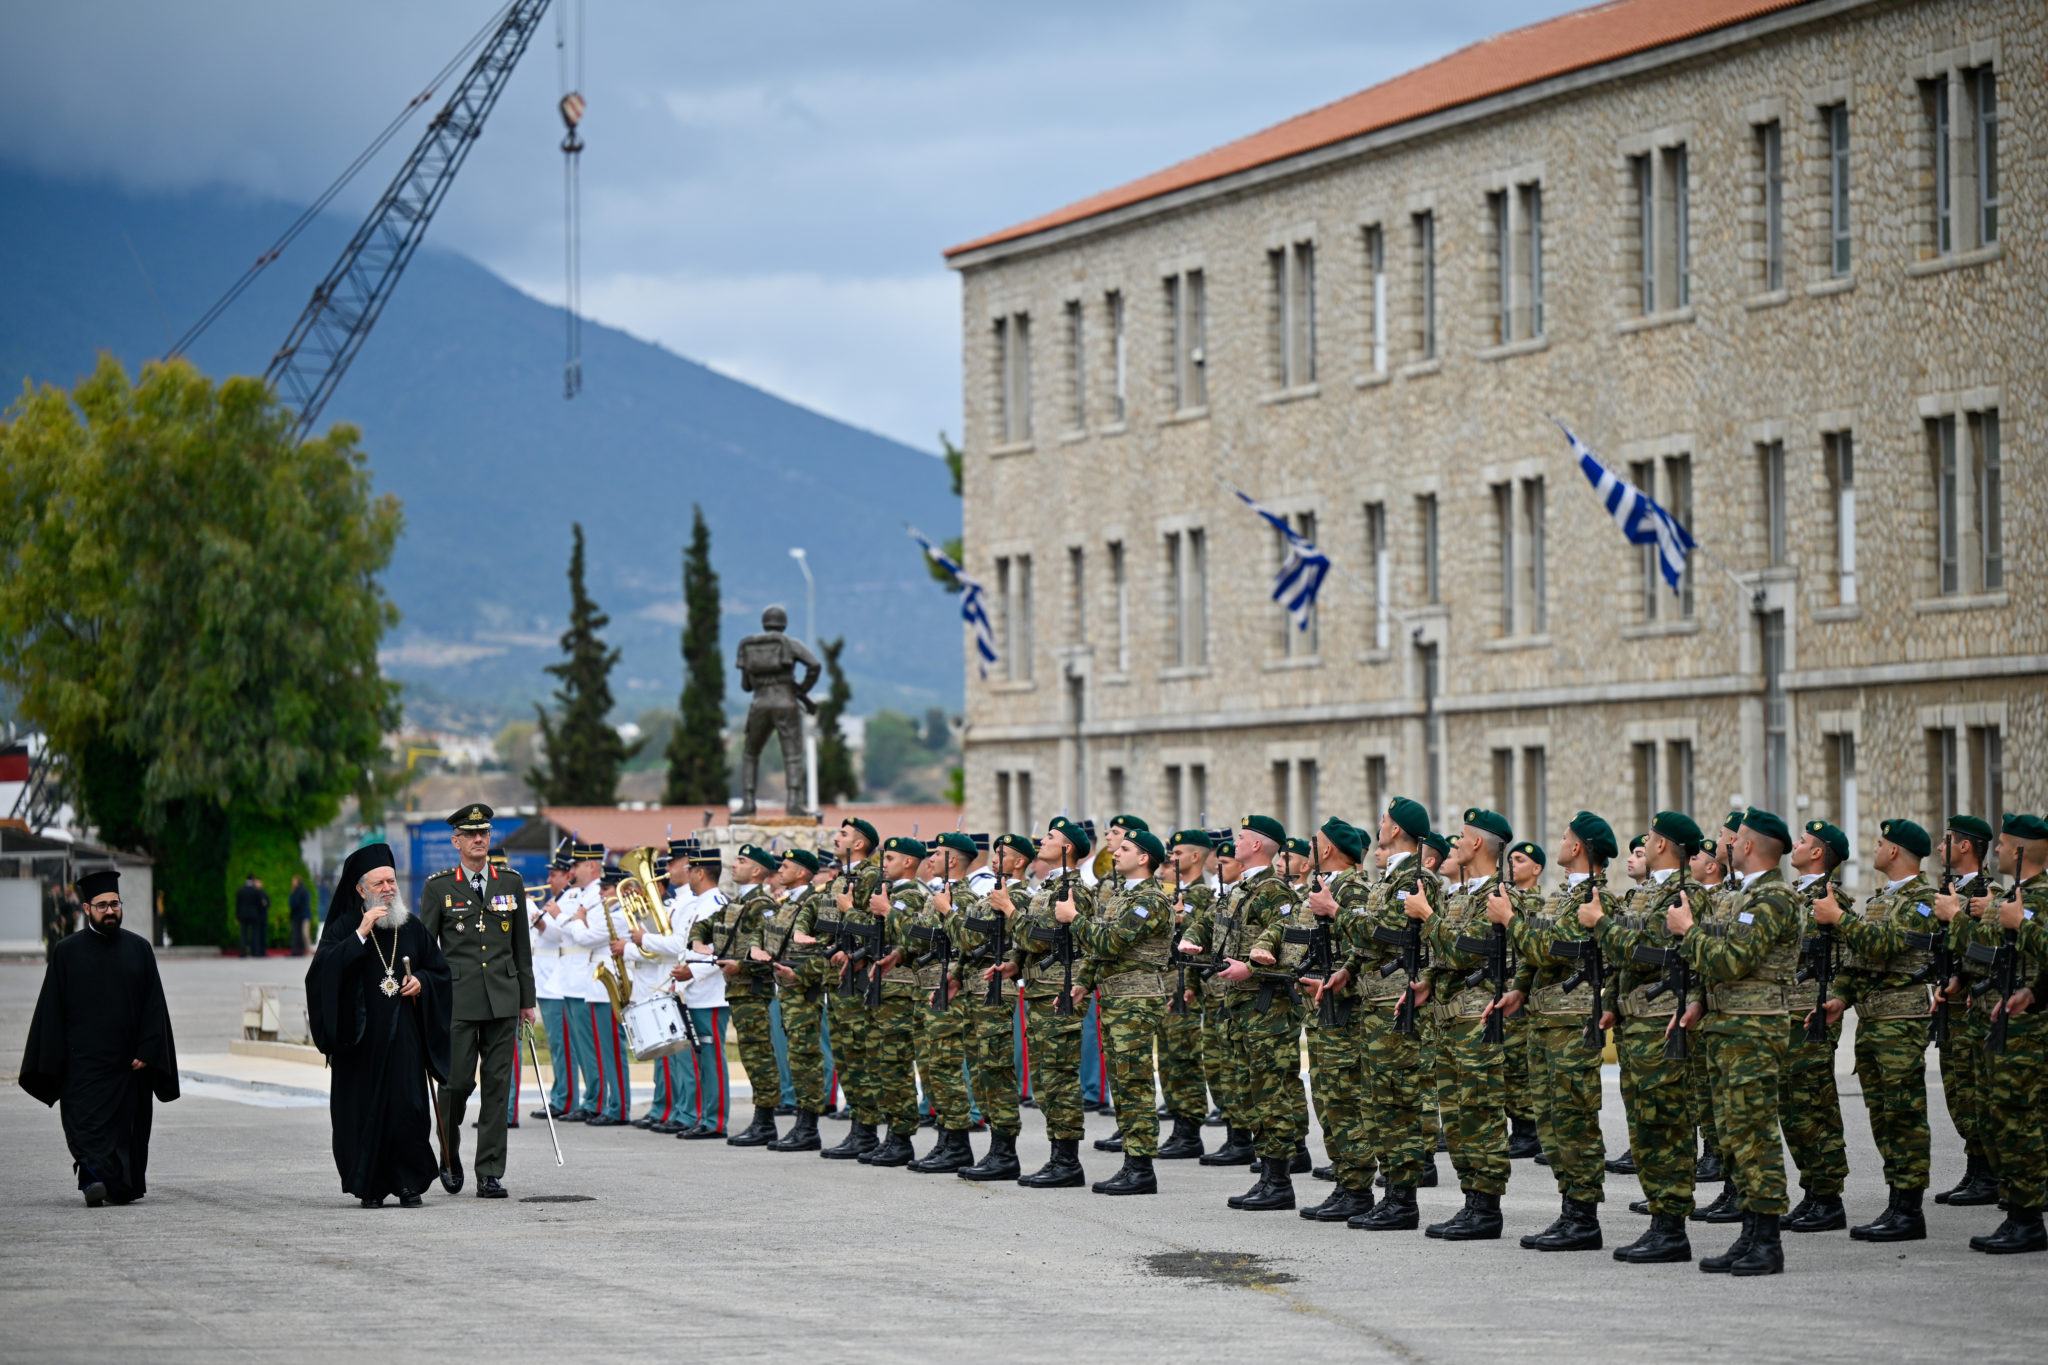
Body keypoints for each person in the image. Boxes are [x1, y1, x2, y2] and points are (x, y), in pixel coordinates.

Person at [1669, 806, 1802, 1276]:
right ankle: (1749, 1232)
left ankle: (1767, 1239)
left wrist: (1687, 932)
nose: (1728, 843)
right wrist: (1701, 1001)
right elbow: (1721, 963)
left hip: (1754, 1030)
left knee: (1755, 1133)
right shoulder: (1741, 896)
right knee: (1733, 1133)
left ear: (1747, 846)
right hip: (1727, 1027)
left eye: (1735, 837)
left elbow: (1732, 960)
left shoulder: (1775, 898)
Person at [19, 867, 179, 1207]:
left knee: (126, 1151)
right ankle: (89, 1175)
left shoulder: (139, 949)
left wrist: (149, 1049)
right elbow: (52, 1010)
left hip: (128, 1067)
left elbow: (155, 1006)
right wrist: (55, 1060)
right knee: (87, 1129)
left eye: (115, 904)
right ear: (87, 909)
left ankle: (117, 1184)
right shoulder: (67, 952)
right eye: (102, 905)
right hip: (84, 1068)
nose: (110, 910)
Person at [304, 844, 451, 1208]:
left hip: (404, 1039)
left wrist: (423, 983)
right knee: (361, 1113)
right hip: (359, 1042)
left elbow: (440, 972)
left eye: (391, 880)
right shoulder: (343, 927)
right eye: (379, 882)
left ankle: (407, 1183)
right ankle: (369, 1185)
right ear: (361, 889)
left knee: (408, 1109)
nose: (388, 888)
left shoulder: (411, 927)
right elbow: (319, 976)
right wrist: (359, 936)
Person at [1498, 812, 1617, 1252]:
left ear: (1581, 847)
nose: (1561, 842)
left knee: (1574, 1122)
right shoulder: (1560, 897)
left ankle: (1584, 1218)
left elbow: (1549, 949)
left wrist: (1511, 920)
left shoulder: (1595, 898)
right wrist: (1521, 989)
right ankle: (1570, 1210)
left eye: (1566, 837)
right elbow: (1535, 958)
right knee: (1550, 1123)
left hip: (1573, 1024)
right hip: (1544, 1022)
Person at [1587, 811, 1702, 1264]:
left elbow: (1641, 951)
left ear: (1665, 845)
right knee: (1644, 1126)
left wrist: (1600, 925)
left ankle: (1672, 1226)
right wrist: (1614, 1000)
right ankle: (1661, 1219)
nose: (1647, 842)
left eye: (1653, 837)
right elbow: (1625, 964)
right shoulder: (1651, 894)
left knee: (1664, 1125)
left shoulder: (1682, 894)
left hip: (1662, 1025)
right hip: (1638, 1025)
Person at [1812, 818, 1934, 1242]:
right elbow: (1861, 962)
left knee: (1904, 1114)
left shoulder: (1923, 901)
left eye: (1881, 843)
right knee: (1882, 1116)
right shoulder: (1883, 900)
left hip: (1901, 1021)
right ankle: (1896, 1203)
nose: (1876, 849)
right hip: (1874, 1019)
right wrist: (1841, 997)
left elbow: (1888, 946)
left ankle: (1909, 1210)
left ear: (1896, 851)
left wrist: (1839, 920)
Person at [1408, 808, 1521, 1240]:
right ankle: (1471, 1200)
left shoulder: (1499, 897)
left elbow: (1465, 953)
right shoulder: (1459, 896)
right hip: (1448, 1022)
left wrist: (1426, 916)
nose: (1454, 842)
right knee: (1455, 1117)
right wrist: (1428, 982)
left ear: (1477, 844)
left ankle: (1487, 1208)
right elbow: (1445, 961)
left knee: (1480, 1113)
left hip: (1479, 1022)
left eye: (1461, 836)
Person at [419, 803, 537, 1199]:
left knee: (498, 1087)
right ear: (456, 842)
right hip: (458, 1001)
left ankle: (489, 1171)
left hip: (504, 1000)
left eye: (484, 833)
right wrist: (427, 992)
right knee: (454, 1085)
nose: (479, 839)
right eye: (470, 834)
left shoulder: (510, 882)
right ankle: (449, 1157)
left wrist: (527, 1000)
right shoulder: (438, 887)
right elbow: (426, 949)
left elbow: (522, 947)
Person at [1200, 816, 1306, 1212]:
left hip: (1268, 1006)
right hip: (1241, 1004)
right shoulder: (1241, 889)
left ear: (1258, 845)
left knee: (1270, 1092)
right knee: (1251, 1091)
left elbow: (1291, 946)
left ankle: (1278, 1181)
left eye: (1242, 837)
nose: (1236, 841)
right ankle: (1268, 1175)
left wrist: (1253, 967)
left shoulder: (1274, 890)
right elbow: (1213, 926)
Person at [1064, 828, 1175, 1195]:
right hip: (1116, 1000)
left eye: (1125, 848)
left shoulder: (1150, 901)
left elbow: (1110, 942)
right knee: (1122, 1082)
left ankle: (1141, 1167)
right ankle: (1132, 1161)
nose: (1118, 853)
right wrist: (1084, 981)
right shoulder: (1121, 898)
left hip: (1137, 1000)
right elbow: (1100, 953)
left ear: (1144, 858)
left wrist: (1073, 919)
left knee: (1134, 1082)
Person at [1011, 818, 1094, 1187]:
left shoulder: (1074, 890)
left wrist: (1009, 911)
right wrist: (1013, 961)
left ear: (1067, 849)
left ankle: (1067, 1162)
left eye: (1051, 837)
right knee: (1046, 1079)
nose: (1042, 841)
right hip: (1042, 990)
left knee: (1059, 1076)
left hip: (1060, 991)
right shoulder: (1049, 888)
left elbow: (1041, 938)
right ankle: (1057, 1156)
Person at [1929, 814, 1999, 1207]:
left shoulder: (1989, 895)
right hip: (1953, 1005)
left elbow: (1985, 952)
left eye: (1947, 841)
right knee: (1959, 1094)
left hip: (1978, 1005)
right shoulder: (1949, 889)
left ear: (1966, 846)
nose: (1940, 848)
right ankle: (1975, 1169)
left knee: (1976, 1093)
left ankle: (1987, 1172)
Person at [733, 605, 821, 817]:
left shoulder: (749, 647)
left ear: (764, 623)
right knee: (792, 754)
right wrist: (802, 689)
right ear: (784, 624)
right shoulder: (790, 644)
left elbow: (745, 686)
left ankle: (748, 803)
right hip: (786, 703)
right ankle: (793, 803)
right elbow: (815, 665)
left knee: (750, 753)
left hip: (760, 703)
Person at [529, 841, 579, 1122]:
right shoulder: (558, 902)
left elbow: (565, 936)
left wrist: (545, 923)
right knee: (557, 1045)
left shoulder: (570, 901)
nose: (549, 880)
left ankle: (566, 1099)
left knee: (563, 1046)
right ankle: (561, 1096)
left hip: (559, 983)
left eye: (554, 875)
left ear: (567, 875)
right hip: (548, 983)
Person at [235, 873, 269, 959]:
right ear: (253, 880)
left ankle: (243, 953)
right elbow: (260, 904)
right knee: (255, 934)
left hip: (243, 914)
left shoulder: (240, 890)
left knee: (243, 934)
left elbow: (238, 904)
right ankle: (256, 953)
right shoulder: (256, 891)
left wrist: (237, 915)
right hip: (254, 914)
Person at [289, 875, 313, 957]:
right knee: (301, 934)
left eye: (294, 881)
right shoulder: (296, 891)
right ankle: (303, 951)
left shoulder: (302, 891)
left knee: (305, 934)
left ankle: (309, 951)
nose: (293, 883)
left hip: (305, 916)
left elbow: (297, 903)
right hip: (301, 916)